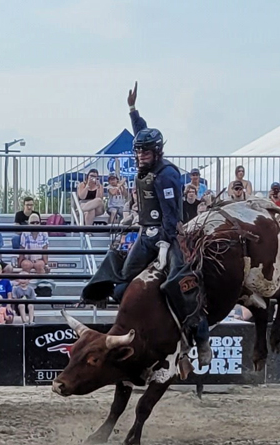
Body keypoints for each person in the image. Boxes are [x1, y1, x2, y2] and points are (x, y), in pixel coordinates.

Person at [81, 82, 212, 365]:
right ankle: (104, 298)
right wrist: (132, 108)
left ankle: (201, 339)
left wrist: (165, 242)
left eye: (145, 152)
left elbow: (170, 214)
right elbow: (141, 129)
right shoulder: (148, 159)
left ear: (157, 152)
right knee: (123, 280)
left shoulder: (166, 176)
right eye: (138, 152)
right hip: (146, 233)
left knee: (181, 285)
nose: (140, 156)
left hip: (168, 236)